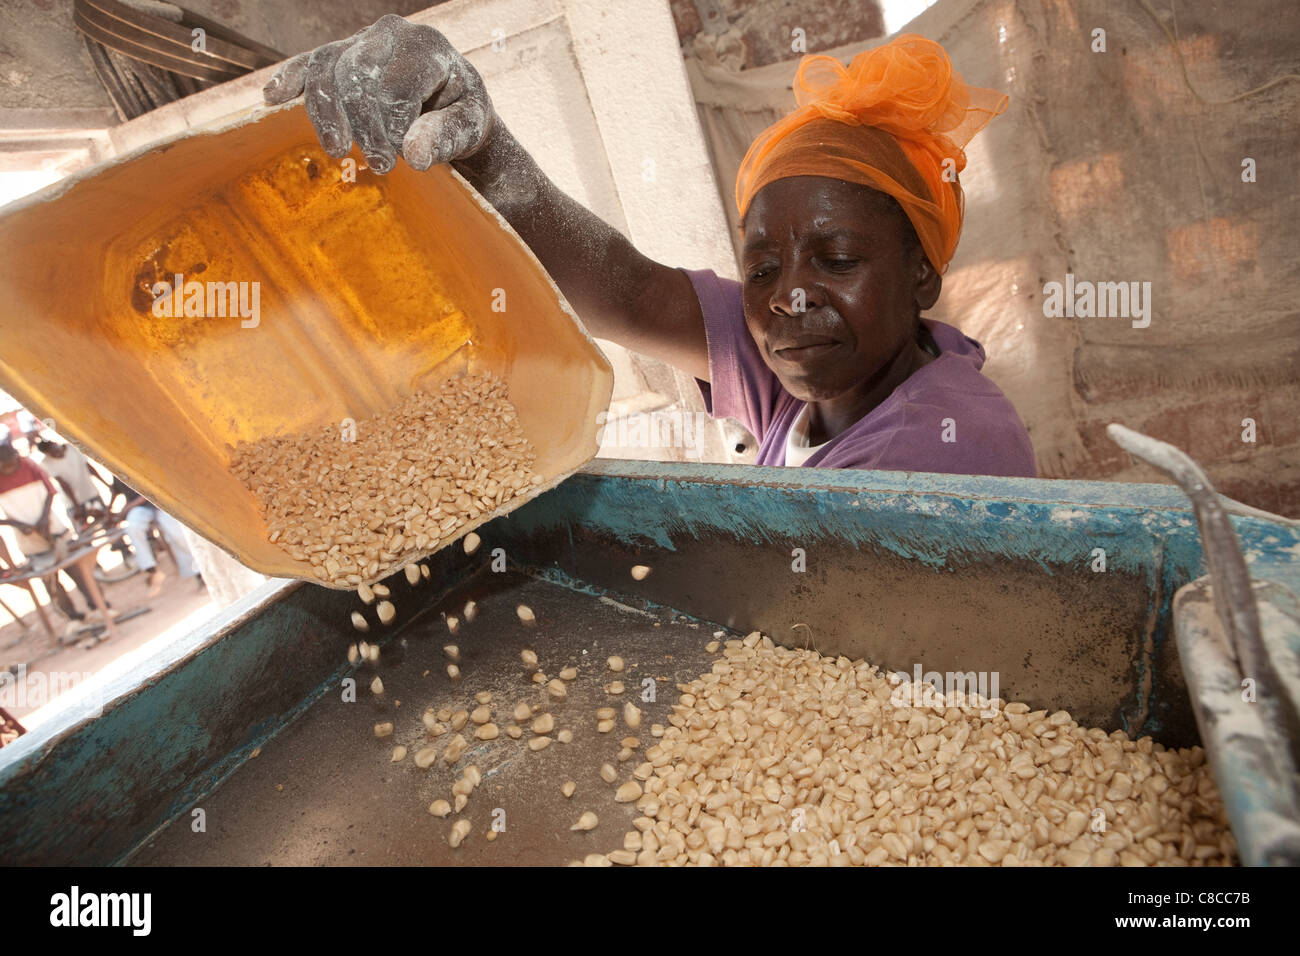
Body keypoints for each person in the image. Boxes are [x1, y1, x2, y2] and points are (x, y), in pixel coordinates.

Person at [264, 19, 1035, 477]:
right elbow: (628, 293)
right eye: (761, 267)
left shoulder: (950, 439)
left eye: (837, 259)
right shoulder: (805, 378)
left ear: (922, 277)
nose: (789, 296)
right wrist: (483, 149)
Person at [0, 443, 110, 638]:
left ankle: (99, 607)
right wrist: (16, 523)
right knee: (50, 581)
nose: (9, 469)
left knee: (77, 570)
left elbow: (50, 491)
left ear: (17, 457)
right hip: (29, 540)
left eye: (11, 464)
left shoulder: (29, 465)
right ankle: (74, 618)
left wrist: (44, 518)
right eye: (4, 467)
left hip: (53, 527)